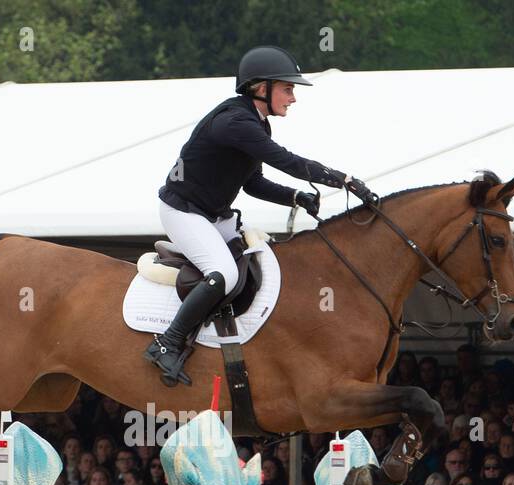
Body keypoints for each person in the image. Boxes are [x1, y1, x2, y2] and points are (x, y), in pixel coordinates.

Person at [146, 45, 375, 386]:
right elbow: (288, 161)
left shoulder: (256, 123)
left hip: (214, 214)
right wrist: (342, 179)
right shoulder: (235, 123)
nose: (293, 98)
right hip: (183, 212)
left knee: (260, 260)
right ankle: (167, 341)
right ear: (261, 87)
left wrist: (294, 197)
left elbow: (252, 184)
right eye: (288, 88)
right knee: (222, 272)